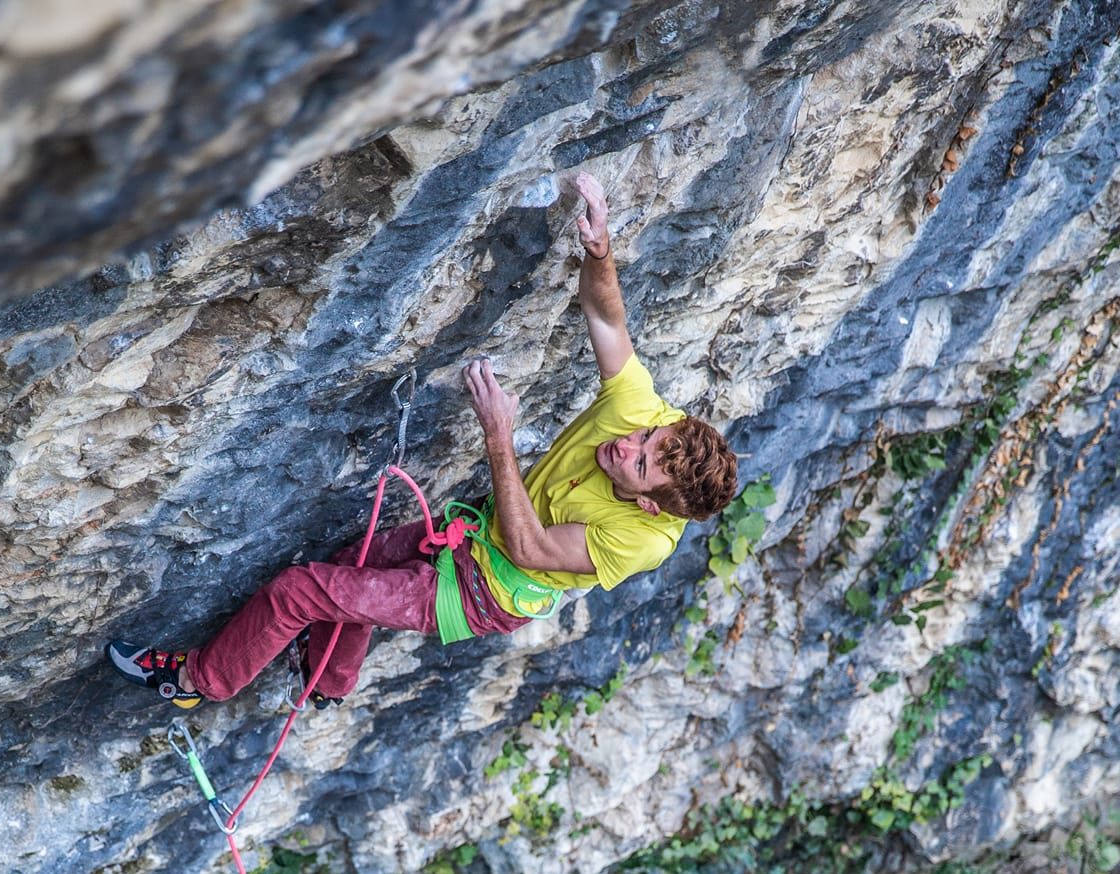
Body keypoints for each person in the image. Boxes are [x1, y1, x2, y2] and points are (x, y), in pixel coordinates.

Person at [107, 172, 739, 709]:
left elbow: (530, 545)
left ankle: (199, 682)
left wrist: (498, 435)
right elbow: (607, 316)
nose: (628, 443)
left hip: (480, 592)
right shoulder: (643, 417)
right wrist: (599, 251)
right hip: (472, 535)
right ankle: (329, 680)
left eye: (641, 461)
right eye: (648, 434)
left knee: (297, 592)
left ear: (651, 502)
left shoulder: (642, 540)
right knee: (357, 559)